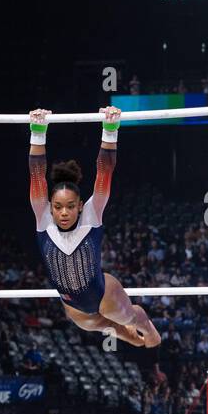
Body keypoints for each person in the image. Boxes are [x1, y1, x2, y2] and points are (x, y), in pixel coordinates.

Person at [28, 106, 160, 346]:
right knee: (96, 325)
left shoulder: (91, 215)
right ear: (50, 206)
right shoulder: (43, 218)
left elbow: (105, 172)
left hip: (103, 295)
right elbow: (36, 175)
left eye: (70, 206)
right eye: (58, 207)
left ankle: (145, 327)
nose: (64, 212)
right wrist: (38, 129)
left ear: (80, 205)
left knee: (127, 316)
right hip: (73, 305)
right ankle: (128, 335)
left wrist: (110, 129)